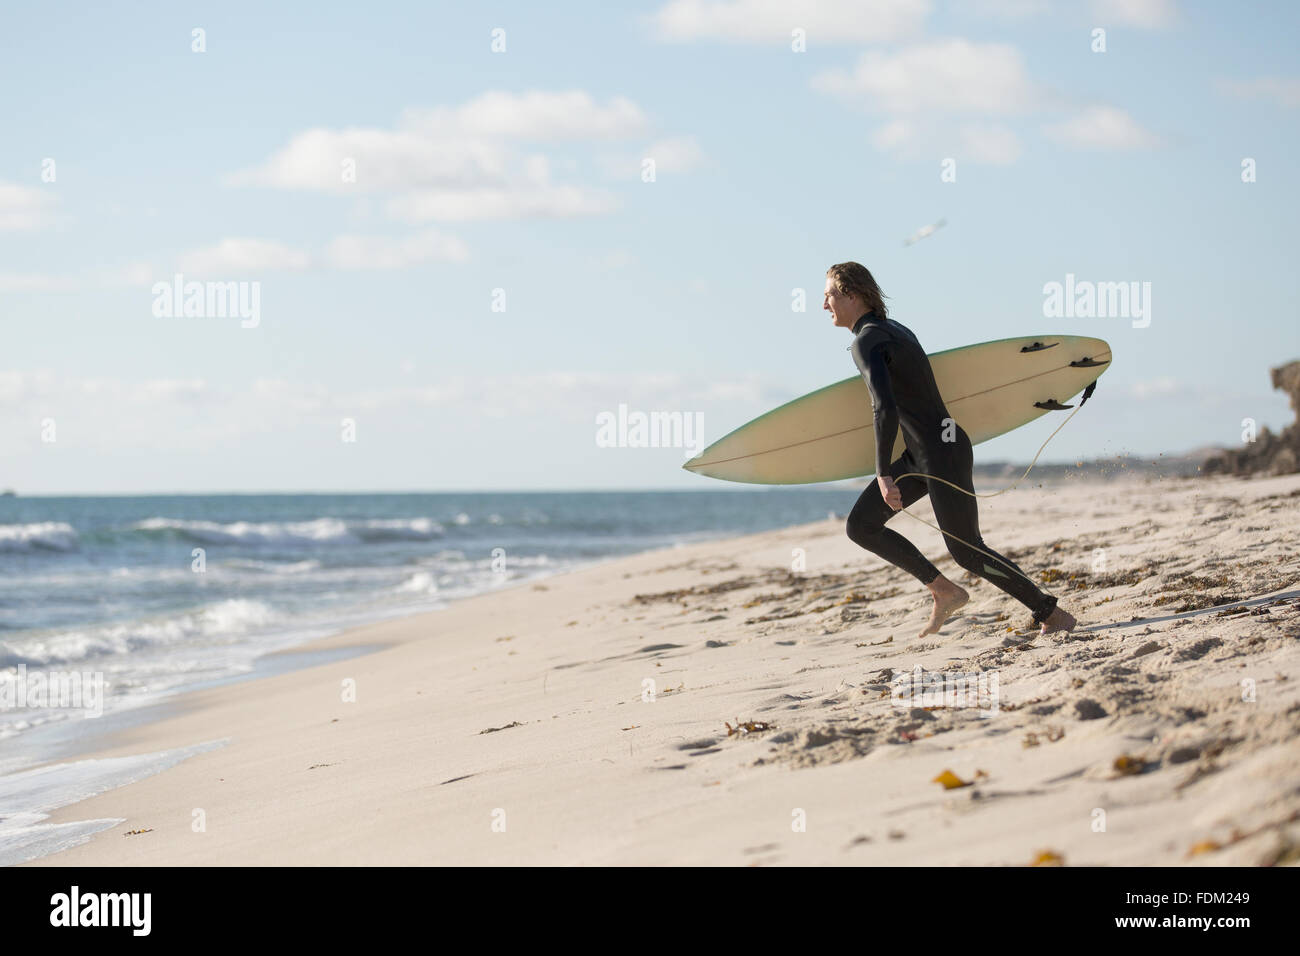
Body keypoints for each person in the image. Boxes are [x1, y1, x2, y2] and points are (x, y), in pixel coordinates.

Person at [824, 261, 1077, 638]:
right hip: (929, 450)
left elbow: (885, 407)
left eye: (829, 294)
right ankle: (943, 590)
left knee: (968, 551)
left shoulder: (866, 341)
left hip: (938, 454)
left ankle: (1051, 613)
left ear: (851, 294)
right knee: (860, 525)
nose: (824, 304)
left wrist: (882, 472)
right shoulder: (896, 330)